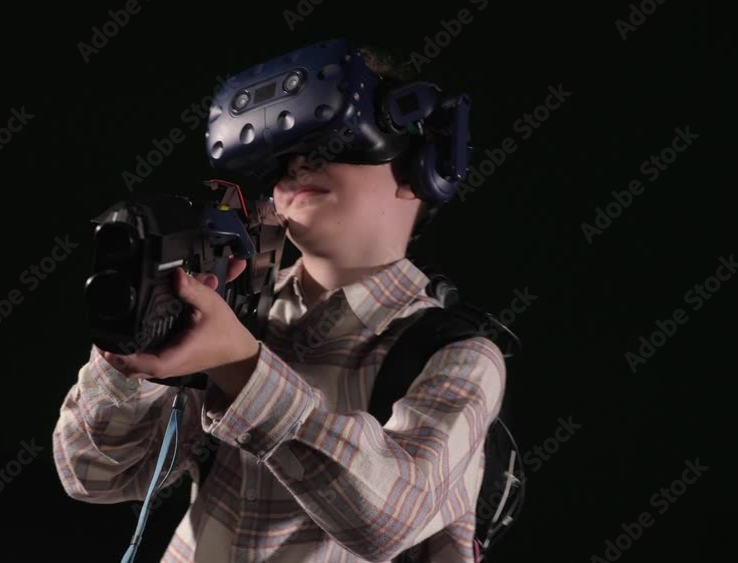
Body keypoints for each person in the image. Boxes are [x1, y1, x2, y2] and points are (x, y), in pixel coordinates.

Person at [52, 46, 505, 563]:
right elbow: (94, 477)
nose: (299, 165)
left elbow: (390, 519)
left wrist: (242, 367)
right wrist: (137, 356)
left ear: (422, 168)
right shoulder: (237, 309)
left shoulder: (459, 354)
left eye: (334, 141)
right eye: (282, 156)